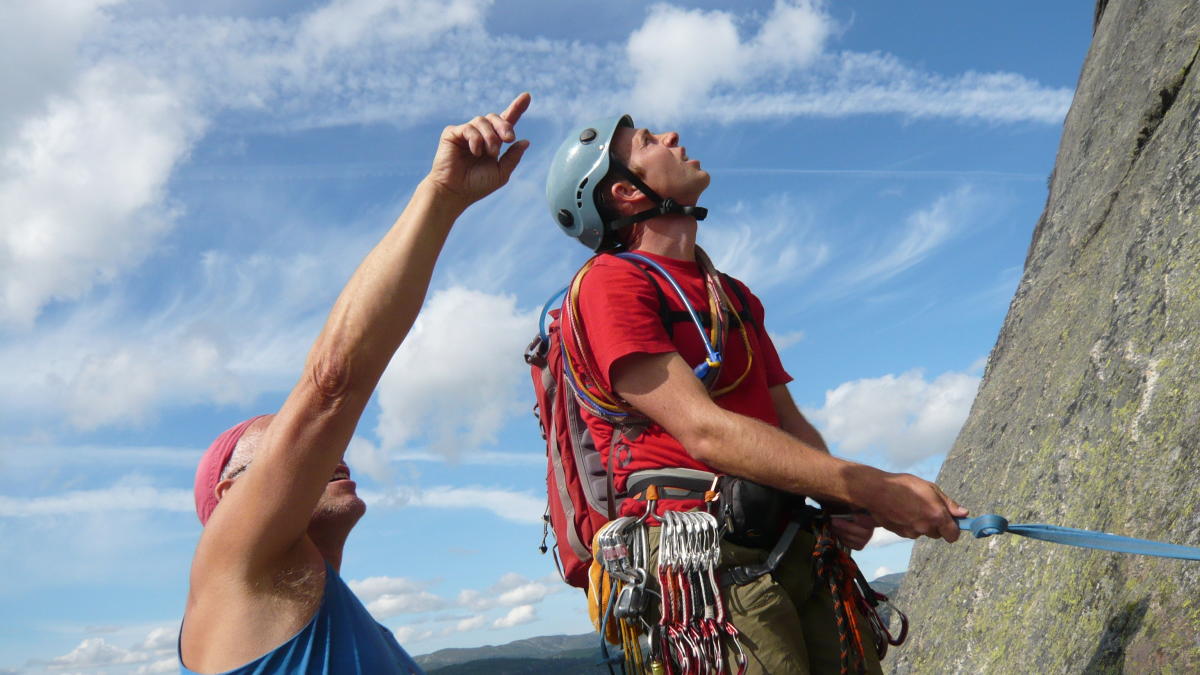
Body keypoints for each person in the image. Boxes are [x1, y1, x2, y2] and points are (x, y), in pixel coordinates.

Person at [545, 115, 968, 674]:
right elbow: (703, 431)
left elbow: (785, 418)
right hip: (697, 559)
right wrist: (876, 485)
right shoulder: (608, 284)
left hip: (785, 533)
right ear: (624, 191)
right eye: (648, 142)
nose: (671, 137)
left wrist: (845, 501)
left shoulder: (731, 294)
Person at [178, 93, 532, 674]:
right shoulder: (233, 568)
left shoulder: (349, 626)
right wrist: (441, 198)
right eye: (286, 449)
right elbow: (330, 384)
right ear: (229, 502)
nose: (331, 450)